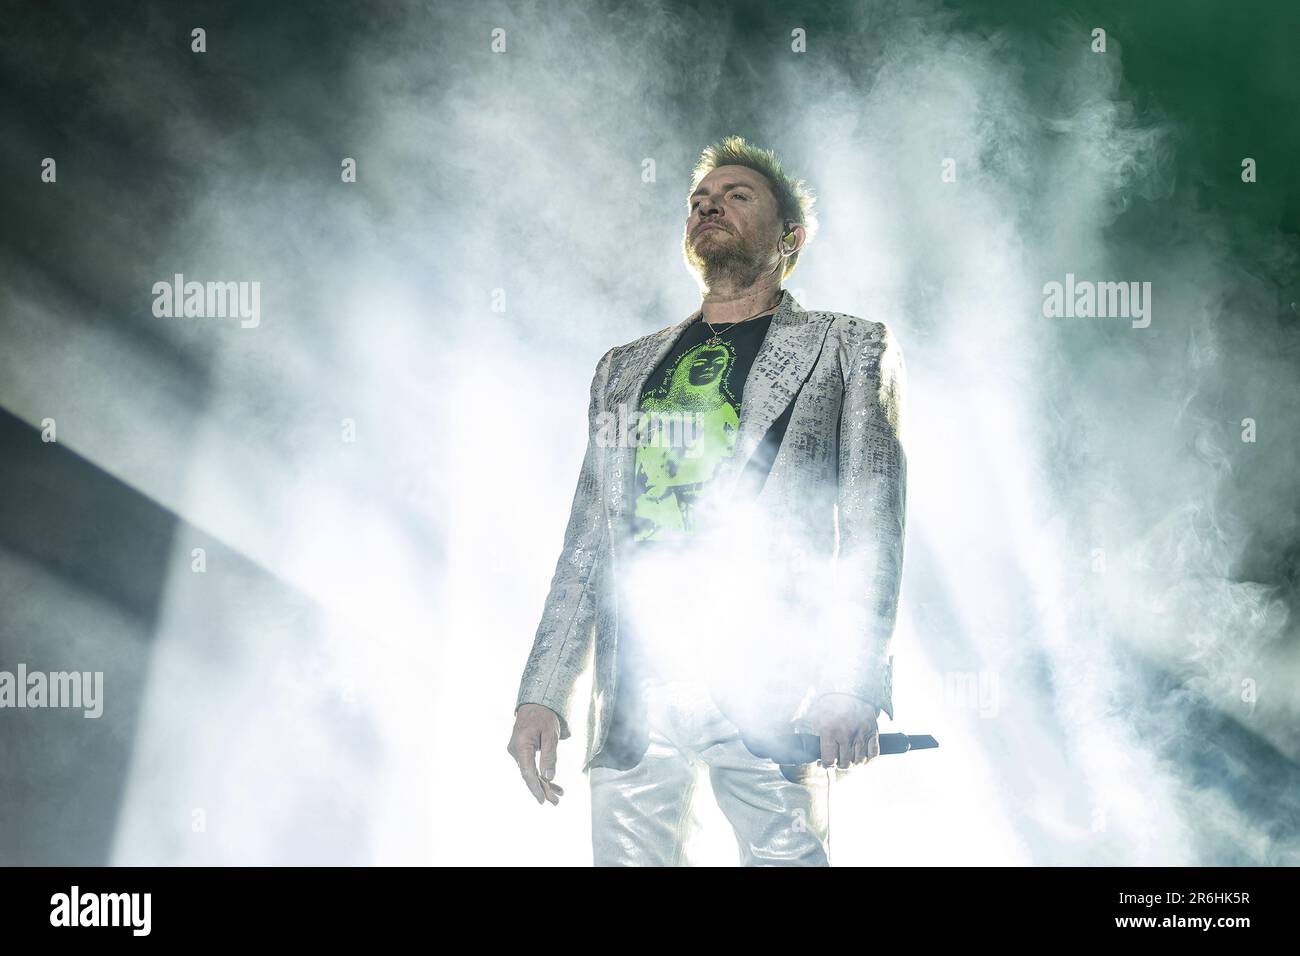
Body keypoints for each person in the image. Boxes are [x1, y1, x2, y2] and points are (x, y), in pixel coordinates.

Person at [507, 135, 908, 866]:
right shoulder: (623, 369)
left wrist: (853, 679)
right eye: (699, 199)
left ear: (791, 237)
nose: (708, 205)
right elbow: (587, 541)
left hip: (771, 677)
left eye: (736, 195)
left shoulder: (849, 346)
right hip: (634, 687)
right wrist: (542, 692)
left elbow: (873, 523)